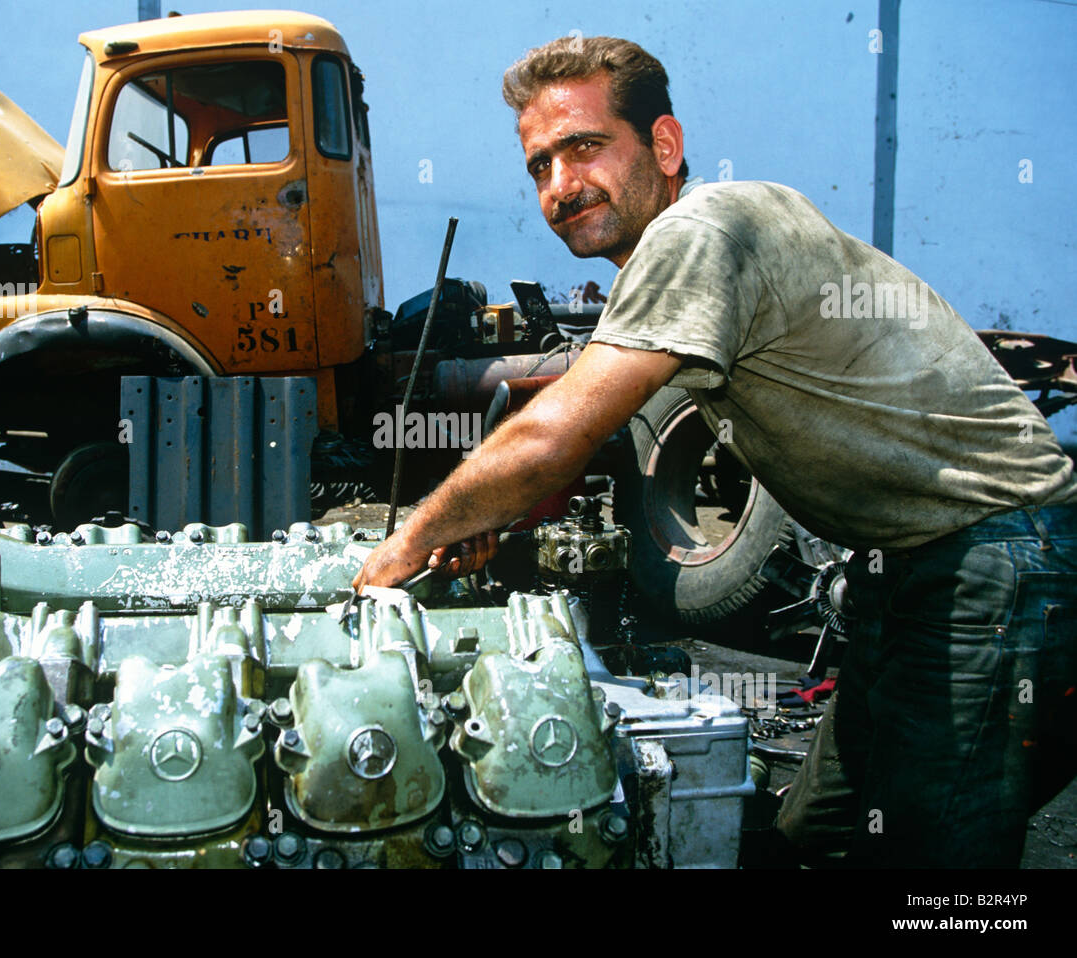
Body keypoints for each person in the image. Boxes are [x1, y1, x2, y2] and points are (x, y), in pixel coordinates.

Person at [353, 34, 1077, 867]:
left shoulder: (701, 228)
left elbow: (558, 433)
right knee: (815, 837)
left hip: (1000, 558)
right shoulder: (674, 255)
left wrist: (407, 541)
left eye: (584, 147)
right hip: (909, 566)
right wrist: (476, 519)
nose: (560, 186)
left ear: (664, 145)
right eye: (540, 167)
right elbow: (593, 436)